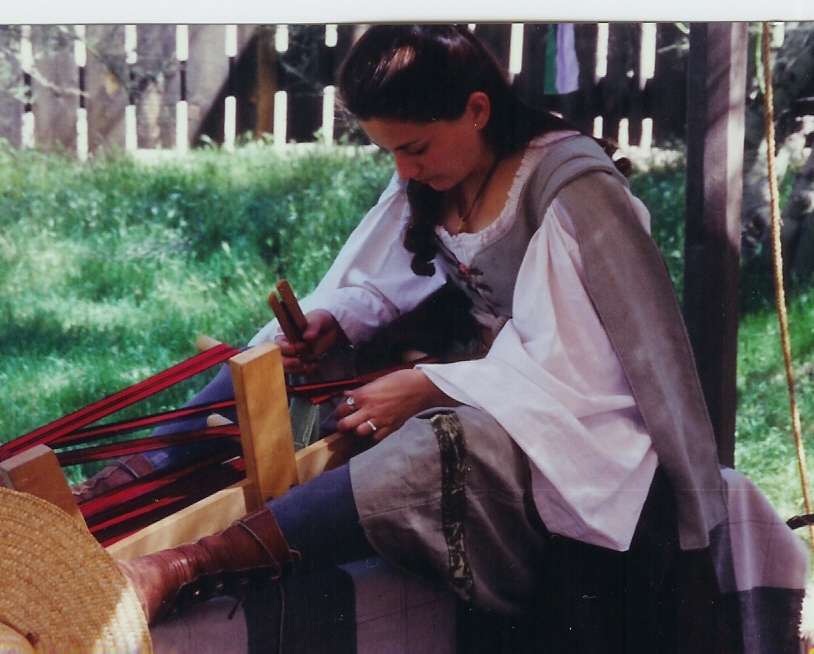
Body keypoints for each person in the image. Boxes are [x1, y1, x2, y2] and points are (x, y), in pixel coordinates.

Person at [115, 25, 803, 653]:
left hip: (587, 426)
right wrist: (339, 319)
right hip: (488, 383)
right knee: (286, 362)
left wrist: (425, 387)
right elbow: (379, 278)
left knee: (433, 448)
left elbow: (578, 370)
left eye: (413, 149)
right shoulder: (435, 173)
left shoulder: (571, 193)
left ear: (476, 110)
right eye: (390, 153)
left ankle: (179, 568)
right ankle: (106, 500)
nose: (404, 170)